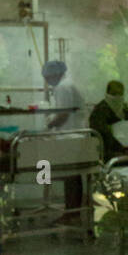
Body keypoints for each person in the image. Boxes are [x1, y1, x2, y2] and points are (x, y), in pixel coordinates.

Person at [41, 60, 85, 220]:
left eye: (47, 77)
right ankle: (73, 211)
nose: (46, 81)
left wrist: (48, 127)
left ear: (55, 74)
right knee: (73, 176)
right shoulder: (67, 85)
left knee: (71, 177)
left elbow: (63, 114)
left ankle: (72, 212)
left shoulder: (63, 87)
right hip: (75, 135)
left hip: (70, 136)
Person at [89, 80, 128, 162]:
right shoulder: (99, 113)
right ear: (107, 94)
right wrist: (123, 148)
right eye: (114, 94)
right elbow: (103, 139)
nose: (117, 97)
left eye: (120, 94)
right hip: (109, 154)